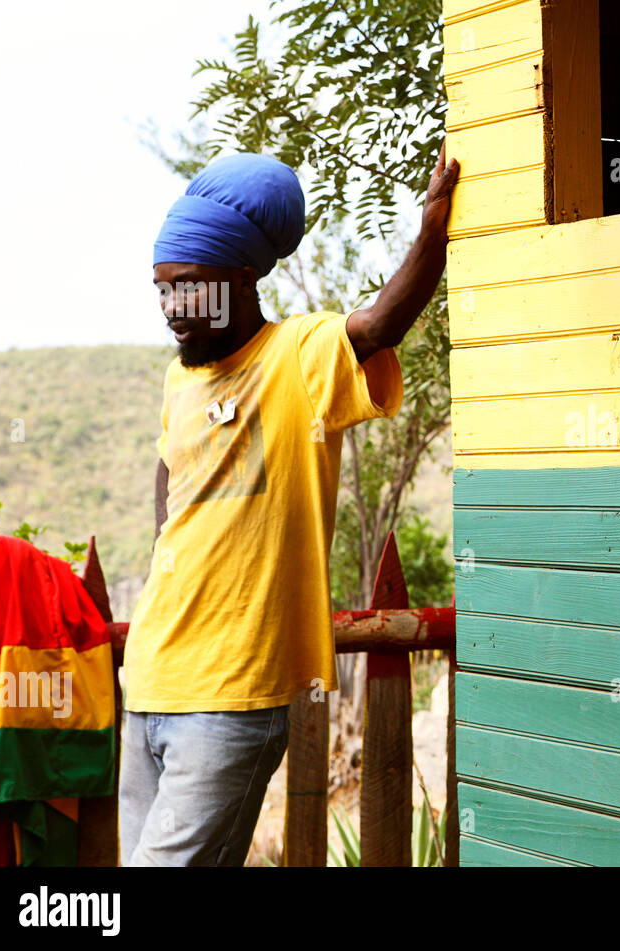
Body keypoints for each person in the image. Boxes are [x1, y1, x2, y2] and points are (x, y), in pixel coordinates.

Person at [119, 143, 458, 866]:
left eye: (190, 288)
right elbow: (168, 467)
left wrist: (432, 236)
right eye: (162, 290)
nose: (174, 310)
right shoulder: (180, 381)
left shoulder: (295, 357)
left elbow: (380, 326)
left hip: (231, 694)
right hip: (149, 680)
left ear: (242, 280)